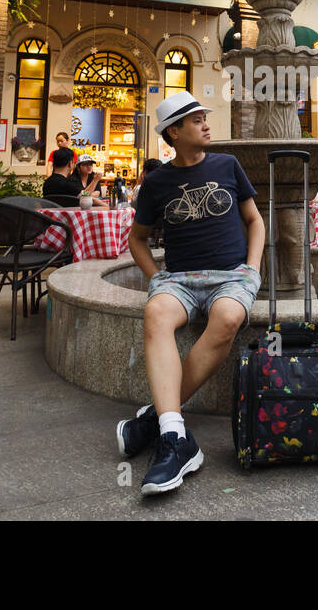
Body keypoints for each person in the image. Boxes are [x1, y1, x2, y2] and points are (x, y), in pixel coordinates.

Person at [118, 91, 264, 496]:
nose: (205, 123)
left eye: (204, 116)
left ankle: (160, 421)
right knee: (156, 315)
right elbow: (137, 239)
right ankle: (178, 439)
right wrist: (155, 278)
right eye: (196, 119)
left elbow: (254, 220)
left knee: (229, 318)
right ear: (174, 132)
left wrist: (252, 267)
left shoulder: (227, 165)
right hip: (179, 278)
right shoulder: (157, 181)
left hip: (232, 275)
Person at [42, 147, 107, 207]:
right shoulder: (68, 184)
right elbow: (85, 195)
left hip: (49, 217)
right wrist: (95, 181)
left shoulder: (47, 183)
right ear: (70, 163)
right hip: (68, 218)